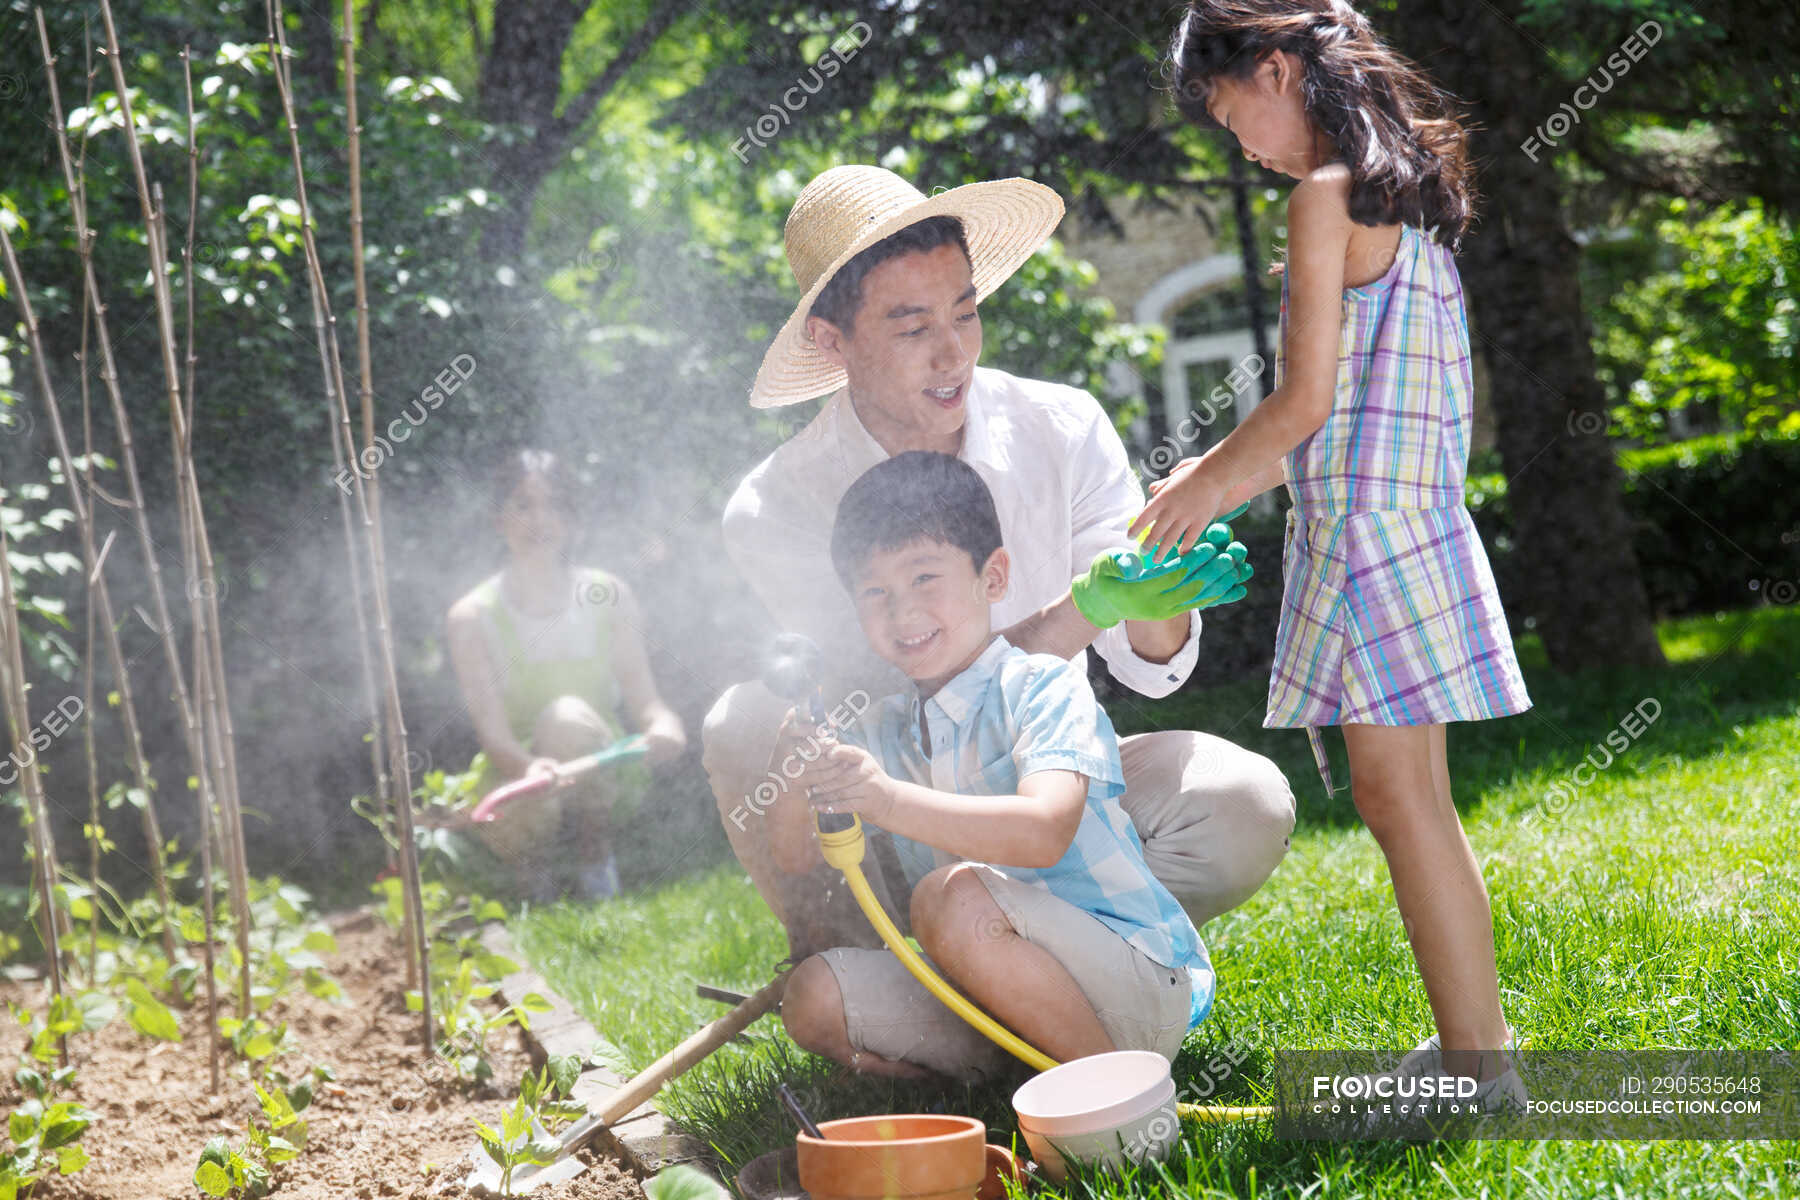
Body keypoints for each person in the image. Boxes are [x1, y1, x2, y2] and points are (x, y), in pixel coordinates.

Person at [705, 164, 1298, 964]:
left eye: (966, 312)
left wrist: (1155, 590)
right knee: (744, 723)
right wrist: (1082, 608)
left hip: (1040, 784)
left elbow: (1150, 665)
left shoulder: (1060, 426)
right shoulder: (776, 505)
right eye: (912, 328)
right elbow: (896, 695)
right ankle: (857, 963)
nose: (953, 354)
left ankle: (1077, 962)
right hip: (886, 815)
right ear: (832, 341)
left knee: (1241, 803)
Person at [1131, 0, 1531, 1103]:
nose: (1243, 147)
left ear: (1274, 69)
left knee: (1400, 802)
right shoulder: (1411, 204)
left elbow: (1303, 402)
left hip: (1365, 547)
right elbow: (1348, 406)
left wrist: (1193, 485)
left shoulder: (1323, 198)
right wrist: (1217, 481)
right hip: (1416, 528)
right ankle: (1477, 1050)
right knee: (1416, 802)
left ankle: (1479, 1071)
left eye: (1231, 116)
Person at [773, 452, 1217, 1081]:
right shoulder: (879, 731)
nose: (901, 612)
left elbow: (1044, 830)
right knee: (813, 995)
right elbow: (793, 857)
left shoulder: (1041, 686)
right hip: (991, 993)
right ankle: (1008, 1080)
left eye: (925, 578)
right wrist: (794, 775)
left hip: (1132, 985)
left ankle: (1116, 1101)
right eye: (875, 591)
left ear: (994, 577)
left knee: (950, 897)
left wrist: (888, 800)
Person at [446, 449, 686, 901]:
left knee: (568, 718)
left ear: (573, 519)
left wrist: (663, 726)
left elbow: (646, 700)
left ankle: (596, 862)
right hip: (515, 780)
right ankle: (533, 875)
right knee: (558, 726)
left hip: (603, 764)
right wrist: (529, 768)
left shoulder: (609, 595)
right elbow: (493, 736)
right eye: (523, 505)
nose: (541, 519)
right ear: (499, 519)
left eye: (555, 504)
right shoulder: (471, 617)